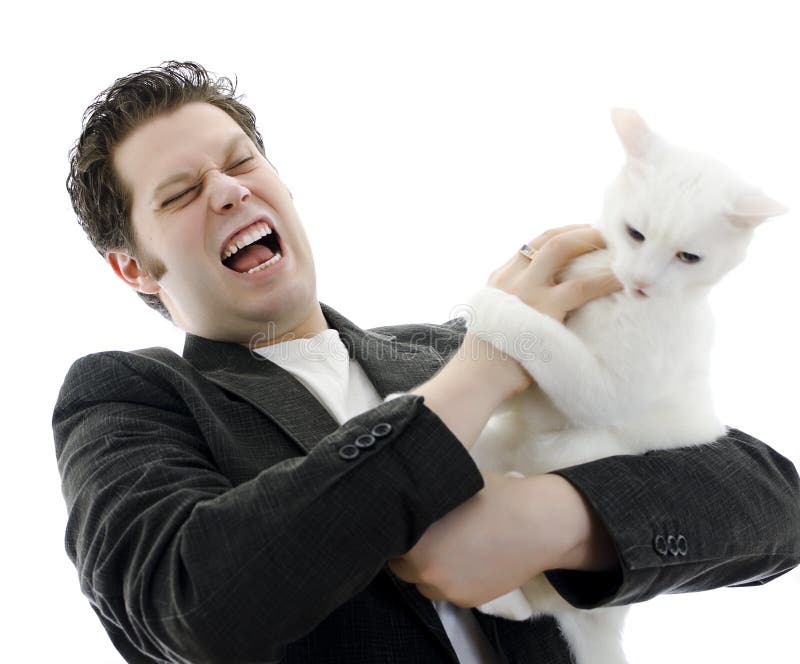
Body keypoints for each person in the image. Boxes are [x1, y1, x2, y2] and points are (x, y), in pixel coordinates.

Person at [54, 61, 800, 664]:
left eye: (242, 161)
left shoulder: (445, 346)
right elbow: (190, 606)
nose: (227, 189)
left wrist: (561, 520)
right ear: (135, 271)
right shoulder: (128, 397)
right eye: (181, 193)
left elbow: (774, 504)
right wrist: (484, 370)